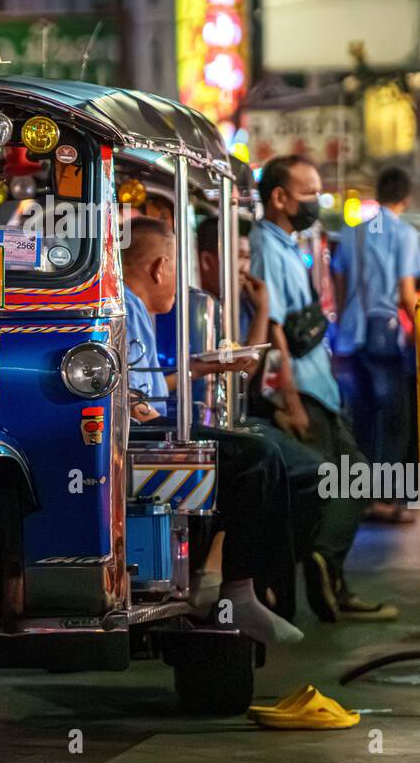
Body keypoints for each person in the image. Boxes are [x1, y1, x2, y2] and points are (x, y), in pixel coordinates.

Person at [123, 216, 303, 646]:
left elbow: (146, 386)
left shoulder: (136, 308)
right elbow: (132, 401)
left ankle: (232, 583)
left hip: (149, 428)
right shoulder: (124, 307)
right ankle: (243, 590)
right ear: (160, 268)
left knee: (258, 455)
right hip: (135, 441)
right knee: (258, 459)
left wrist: (202, 366)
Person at [197, 217, 369, 622]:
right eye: (237, 256)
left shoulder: (239, 302)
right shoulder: (203, 308)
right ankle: (284, 580)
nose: (245, 266)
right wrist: (265, 314)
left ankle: (296, 575)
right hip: (236, 419)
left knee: (338, 474)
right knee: (329, 474)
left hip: (266, 408)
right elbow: (245, 374)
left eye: (245, 256)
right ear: (207, 260)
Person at [249, 155, 397, 622]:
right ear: (279, 197)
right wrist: (289, 401)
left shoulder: (289, 245)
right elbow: (273, 332)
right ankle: (319, 571)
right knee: (344, 480)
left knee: (352, 477)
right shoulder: (266, 246)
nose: (316, 201)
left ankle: (330, 577)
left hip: (320, 386)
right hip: (301, 394)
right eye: (308, 193)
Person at [332, 166, 420, 517]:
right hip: (383, 336)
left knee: (362, 419)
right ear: (406, 197)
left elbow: (339, 283)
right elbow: (406, 292)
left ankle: (363, 497)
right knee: (393, 419)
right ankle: (386, 500)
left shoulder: (353, 232)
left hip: (350, 337)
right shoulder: (404, 234)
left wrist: (344, 322)